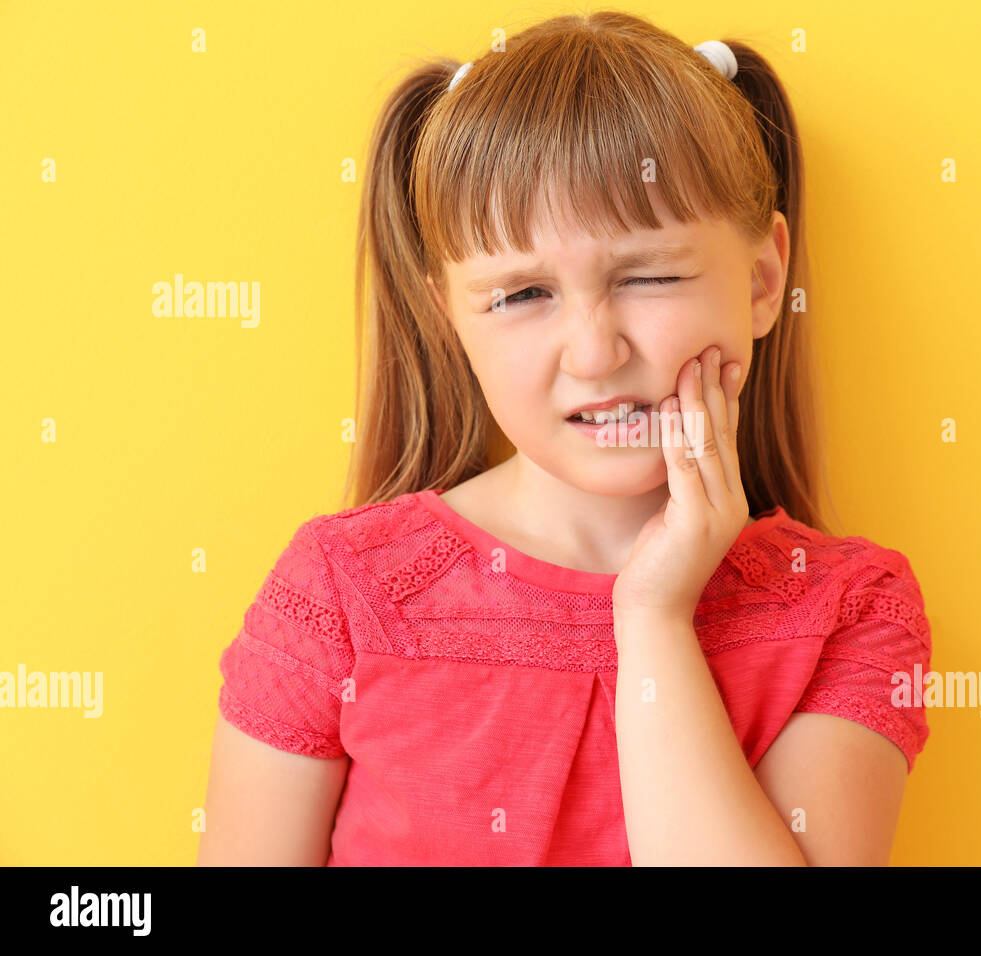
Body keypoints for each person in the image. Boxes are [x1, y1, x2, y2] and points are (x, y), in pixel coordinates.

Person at [198, 10, 932, 866]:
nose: (594, 352)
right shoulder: (341, 595)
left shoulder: (847, 608)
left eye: (650, 276)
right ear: (450, 320)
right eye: (520, 295)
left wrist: (654, 619)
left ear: (765, 280)